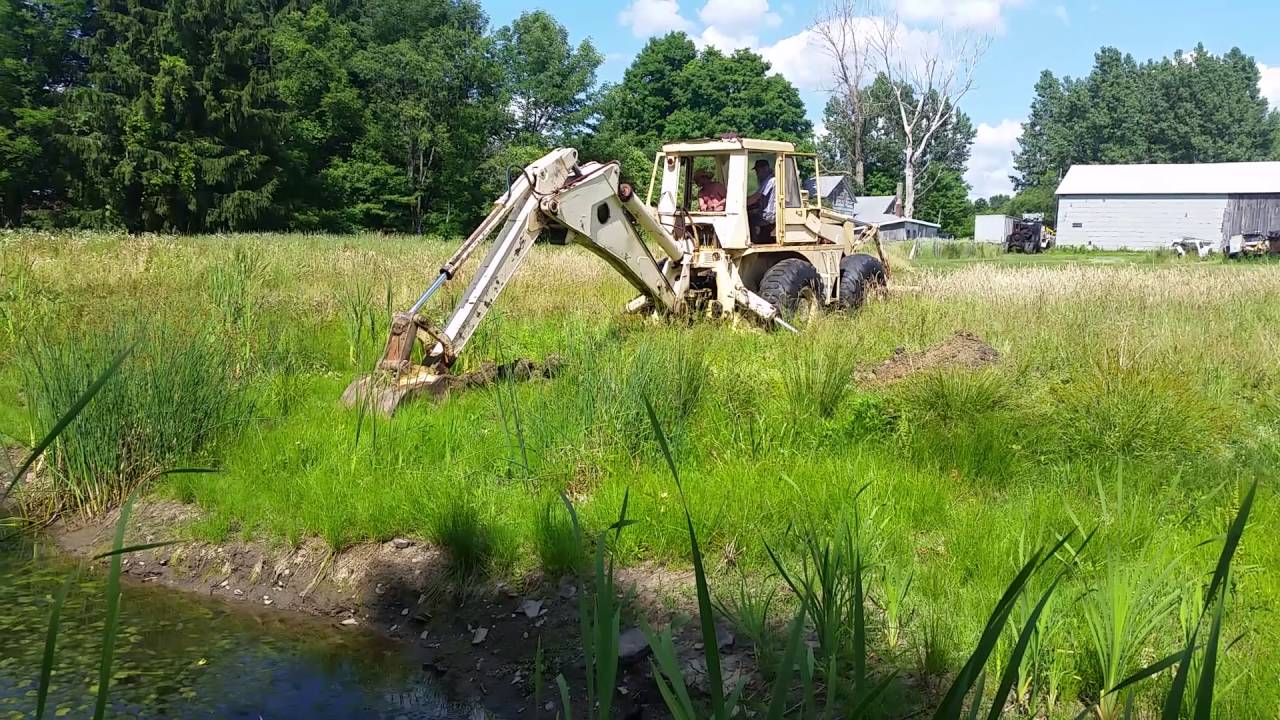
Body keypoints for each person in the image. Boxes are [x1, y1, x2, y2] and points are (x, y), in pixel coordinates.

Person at [747, 158, 776, 241]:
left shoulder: (770, 181)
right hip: (766, 212)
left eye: (757, 171)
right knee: (751, 213)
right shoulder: (767, 180)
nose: (757, 174)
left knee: (749, 219)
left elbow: (756, 197)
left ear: (765, 169)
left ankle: (753, 241)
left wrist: (742, 203)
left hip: (769, 215)